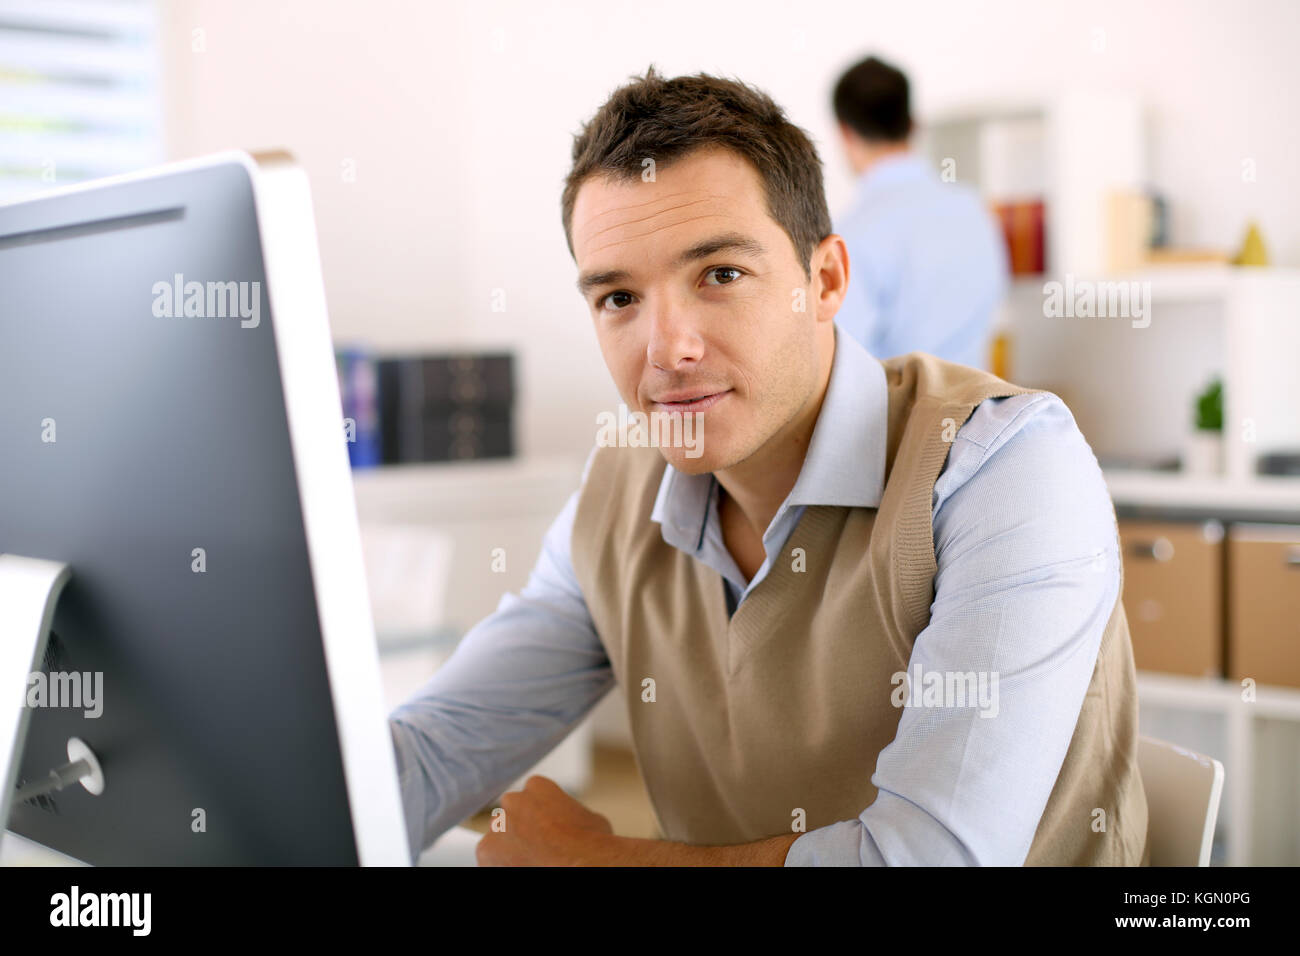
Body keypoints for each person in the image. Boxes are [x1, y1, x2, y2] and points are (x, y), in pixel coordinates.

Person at [388, 66, 1148, 866]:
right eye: (618, 298)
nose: (667, 349)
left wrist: (596, 862)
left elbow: (927, 860)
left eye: (720, 275)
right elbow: (438, 751)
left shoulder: (1009, 468)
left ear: (825, 281)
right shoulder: (618, 492)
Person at [832, 55, 1008, 369]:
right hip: (982, 411)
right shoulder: (975, 211)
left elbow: (846, 362)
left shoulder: (851, 234)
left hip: (899, 416)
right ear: (913, 124)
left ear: (845, 132)